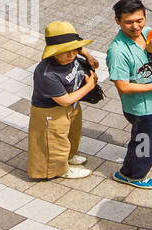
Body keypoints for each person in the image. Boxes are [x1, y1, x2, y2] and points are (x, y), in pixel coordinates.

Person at [102, 0, 152, 188]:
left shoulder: (147, 33)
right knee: (143, 143)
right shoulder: (118, 51)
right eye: (129, 22)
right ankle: (131, 174)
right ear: (117, 21)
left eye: (140, 20)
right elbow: (123, 86)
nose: (136, 26)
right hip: (141, 108)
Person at [26, 22, 99, 179]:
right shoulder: (47, 74)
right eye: (65, 52)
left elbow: (78, 47)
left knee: (73, 133)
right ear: (53, 52)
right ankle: (60, 170)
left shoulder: (71, 54)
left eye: (74, 50)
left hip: (73, 105)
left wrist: (88, 56)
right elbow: (64, 101)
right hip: (51, 111)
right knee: (54, 142)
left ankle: (69, 157)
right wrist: (90, 85)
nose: (71, 56)